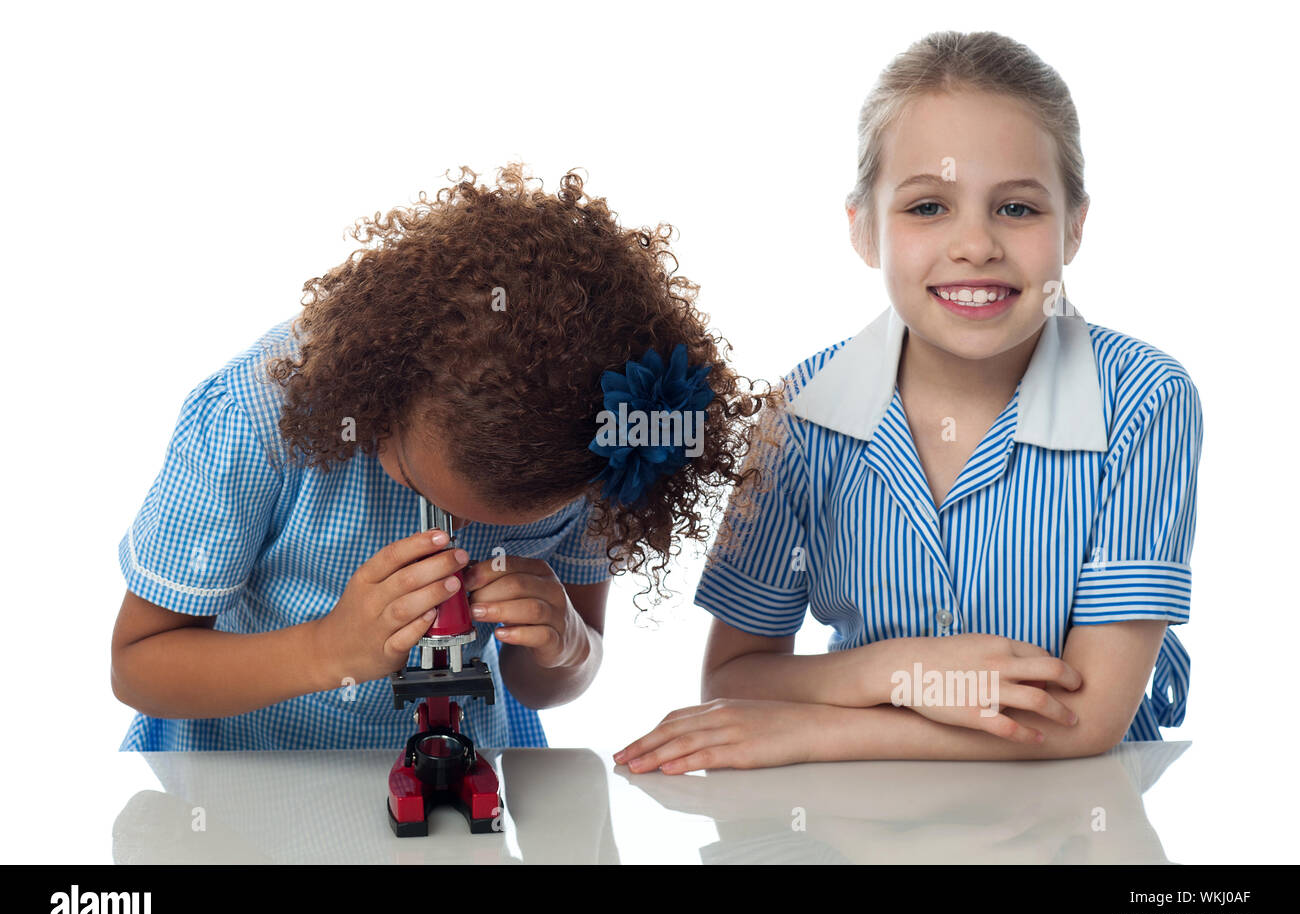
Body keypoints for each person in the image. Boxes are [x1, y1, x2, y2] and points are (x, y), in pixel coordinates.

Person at [616, 31, 1203, 772]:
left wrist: (817, 729)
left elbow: (1087, 719)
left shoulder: (1146, 400)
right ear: (863, 229)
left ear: (1076, 226)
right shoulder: (801, 416)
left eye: (1017, 208)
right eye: (928, 206)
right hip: (866, 823)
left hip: (1079, 819)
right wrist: (903, 671)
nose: (975, 245)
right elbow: (733, 677)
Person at [112, 163, 768, 751]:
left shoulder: (593, 451)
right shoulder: (257, 415)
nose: (443, 531)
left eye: (499, 523)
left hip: (454, 758)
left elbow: (547, 680)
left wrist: (565, 640)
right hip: (238, 780)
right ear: (385, 386)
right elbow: (137, 664)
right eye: (415, 479)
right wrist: (326, 650)